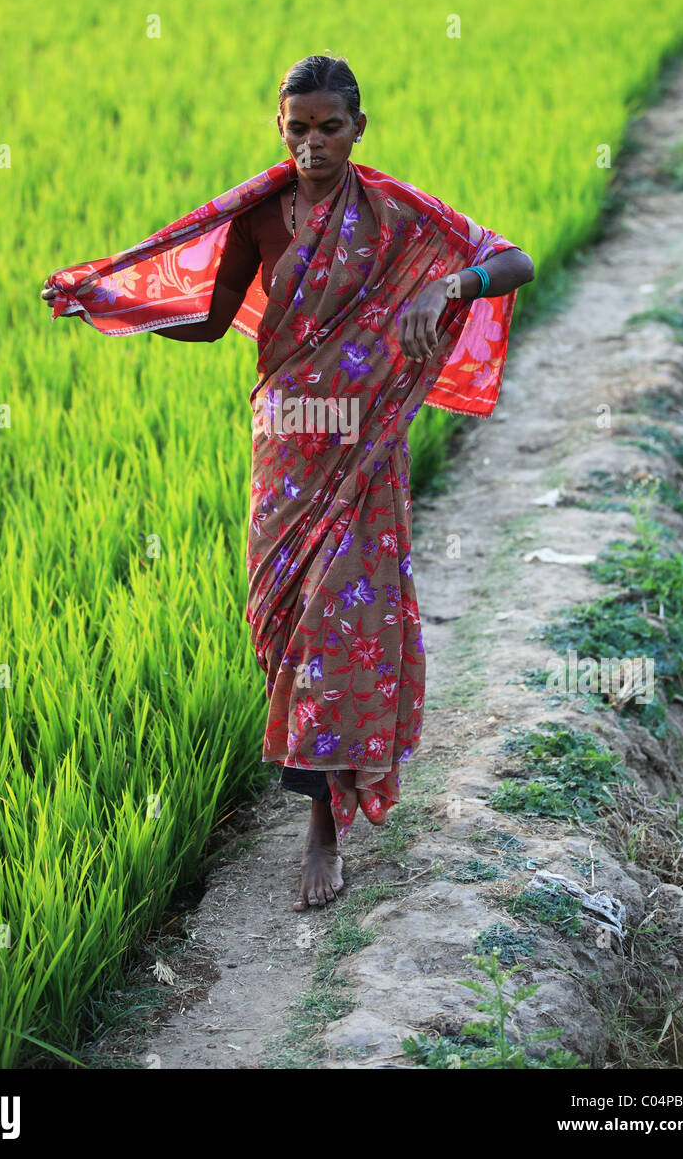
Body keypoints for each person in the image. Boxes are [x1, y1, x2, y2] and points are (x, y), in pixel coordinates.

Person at [42, 54, 534, 911]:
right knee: (282, 624)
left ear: (357, 129)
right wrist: (116, 304)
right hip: (289, 441)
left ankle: (322, 830)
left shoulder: (395, 212)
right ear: (280, 128)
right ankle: (321, 799)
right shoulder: (260, 214)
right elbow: (210, 320)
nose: (312, 143)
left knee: (337, 622)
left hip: (364, 444)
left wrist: (444, 287)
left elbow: (512, 260)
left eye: (329, 127)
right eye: (296, 128)